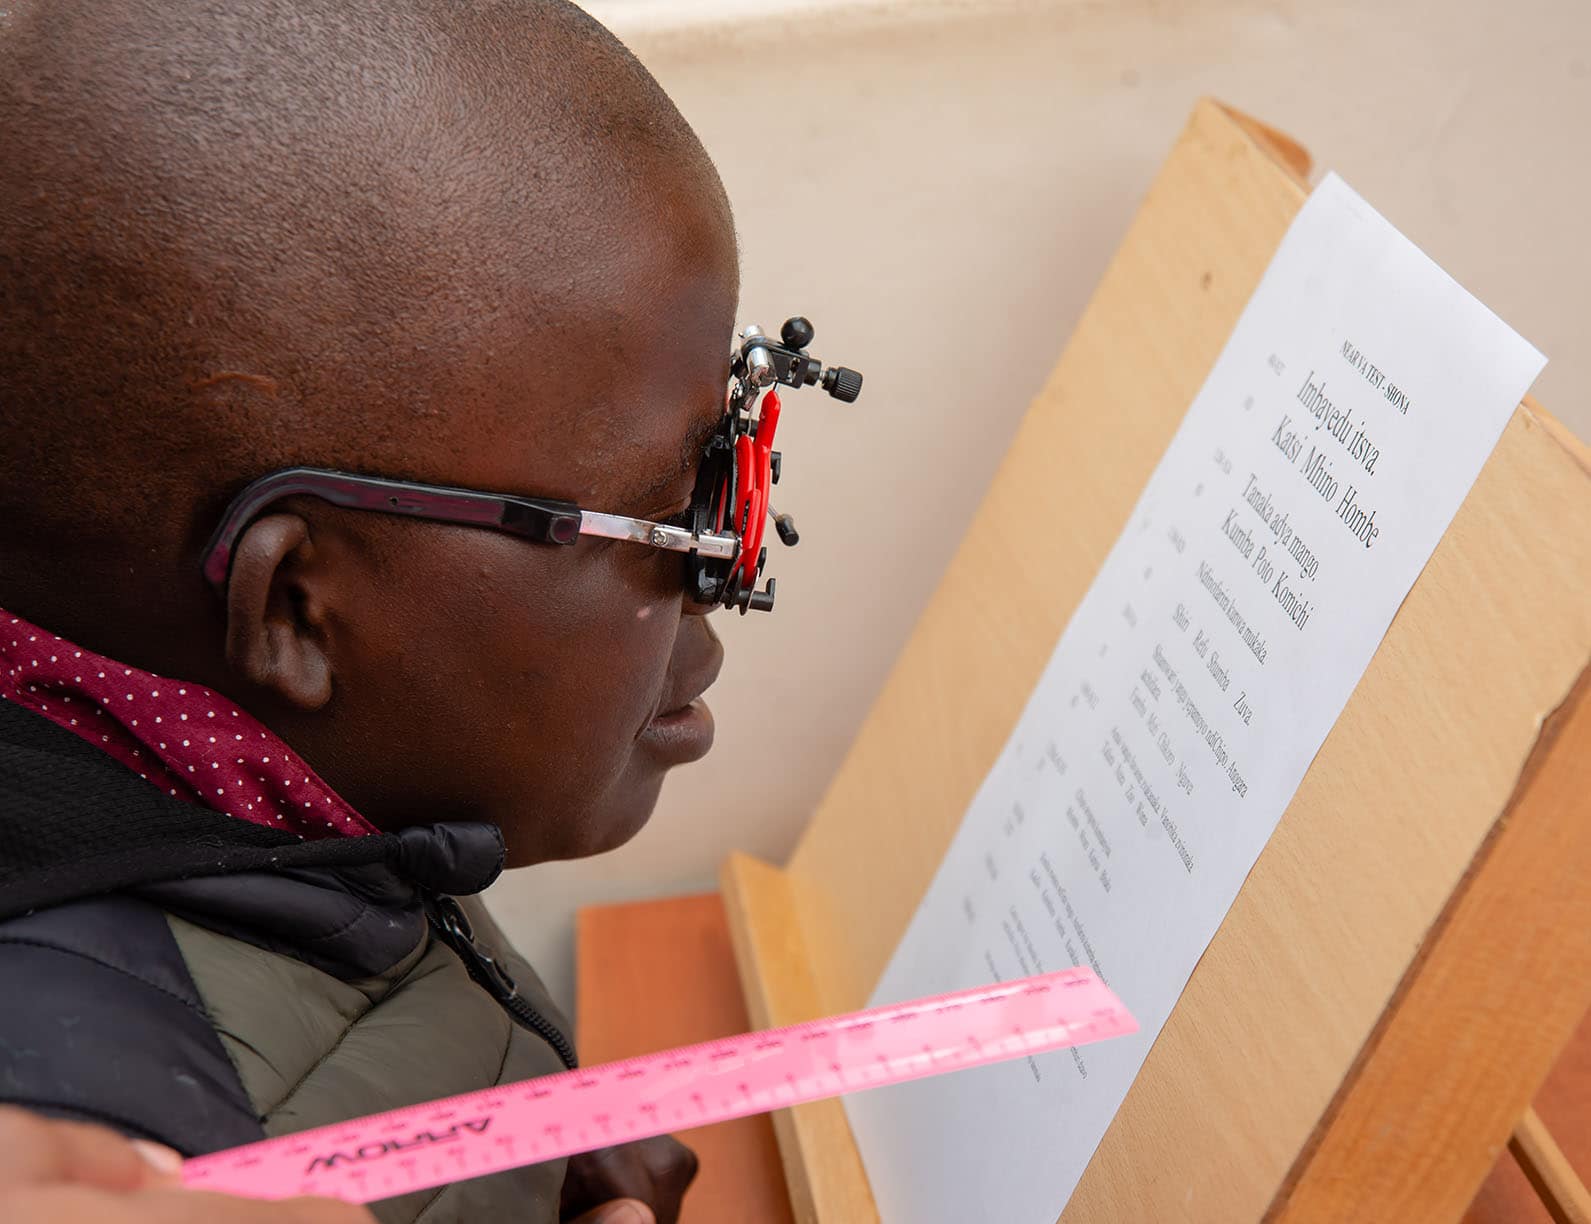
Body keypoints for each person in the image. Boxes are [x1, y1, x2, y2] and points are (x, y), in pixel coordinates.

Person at [0, 1, 741, 1220]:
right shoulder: (141, 1158)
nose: (725, 576)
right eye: (665, 522)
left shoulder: (286, 803)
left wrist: (521, 1121)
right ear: (299, 613)